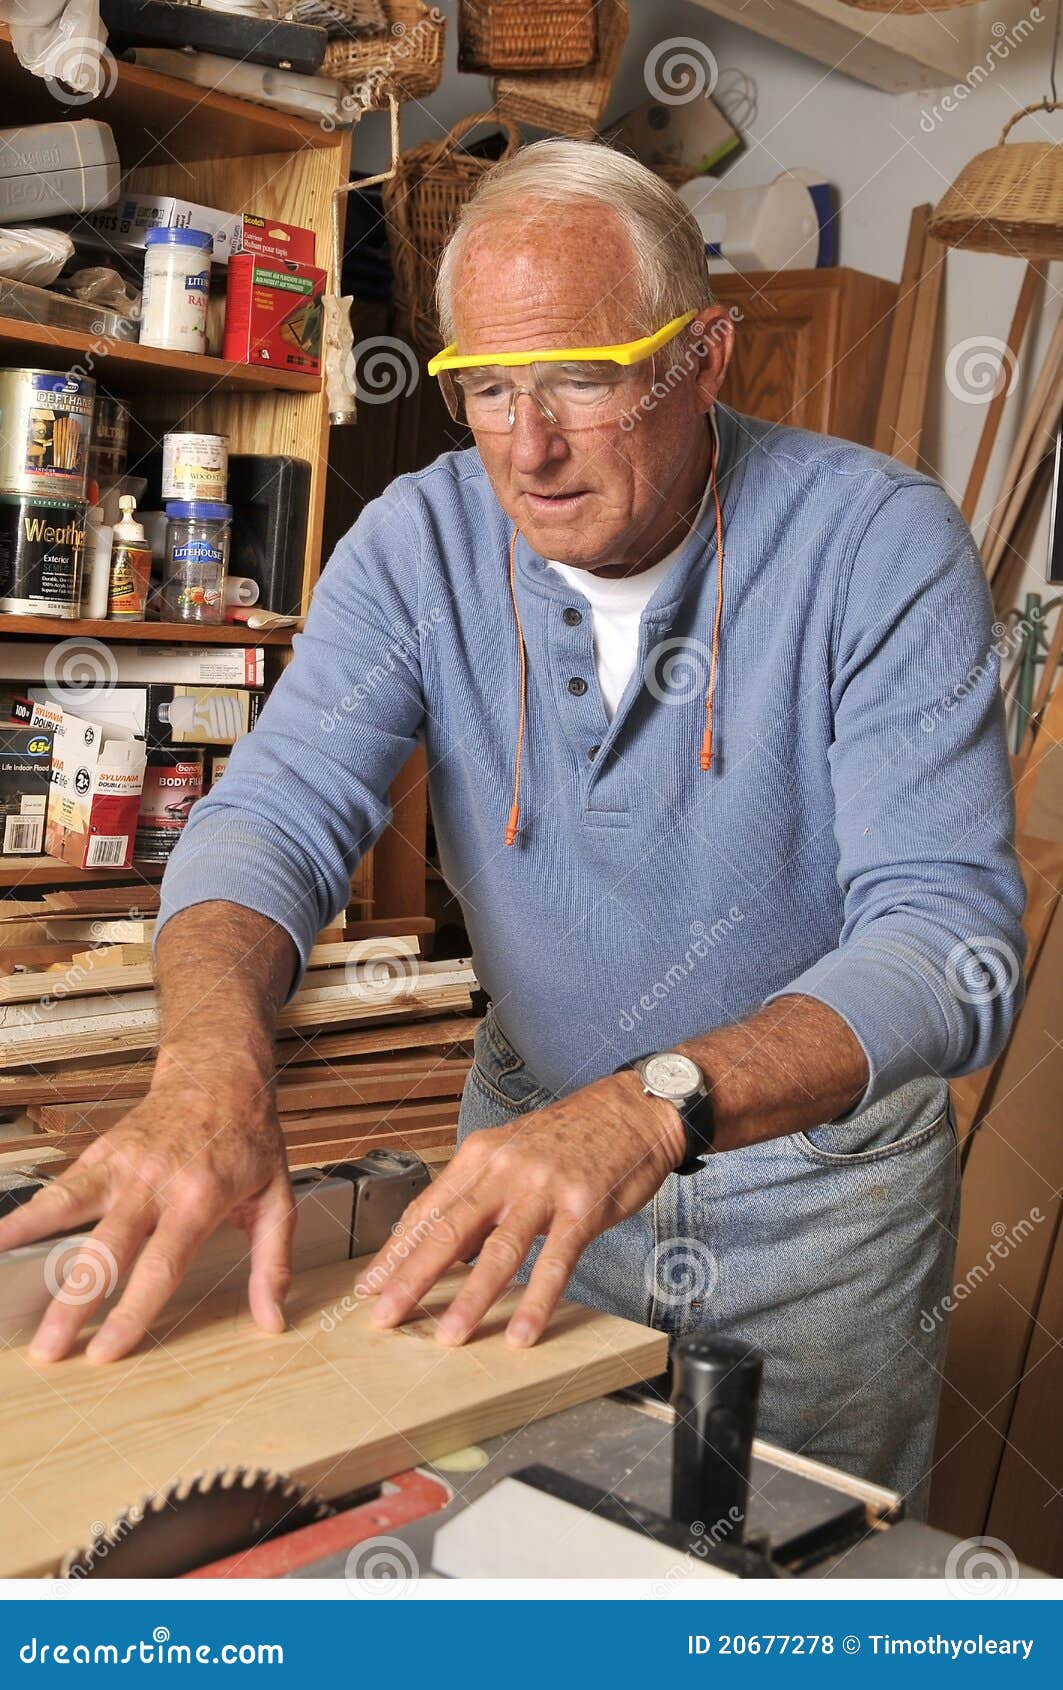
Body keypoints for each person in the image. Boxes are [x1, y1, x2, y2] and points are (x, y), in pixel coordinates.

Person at [0, 141, 1025, 1517]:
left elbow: (947, 943)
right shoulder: (415, 546)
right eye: (484, 384)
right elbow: (268, 824)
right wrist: (206, 1064)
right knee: (511, 1562)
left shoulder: (877, 546)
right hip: (517, 1178)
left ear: (705, 357)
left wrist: (651, 1103)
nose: (526, 444)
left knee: (775, 1590)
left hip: (814, 1212)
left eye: (586, 378)